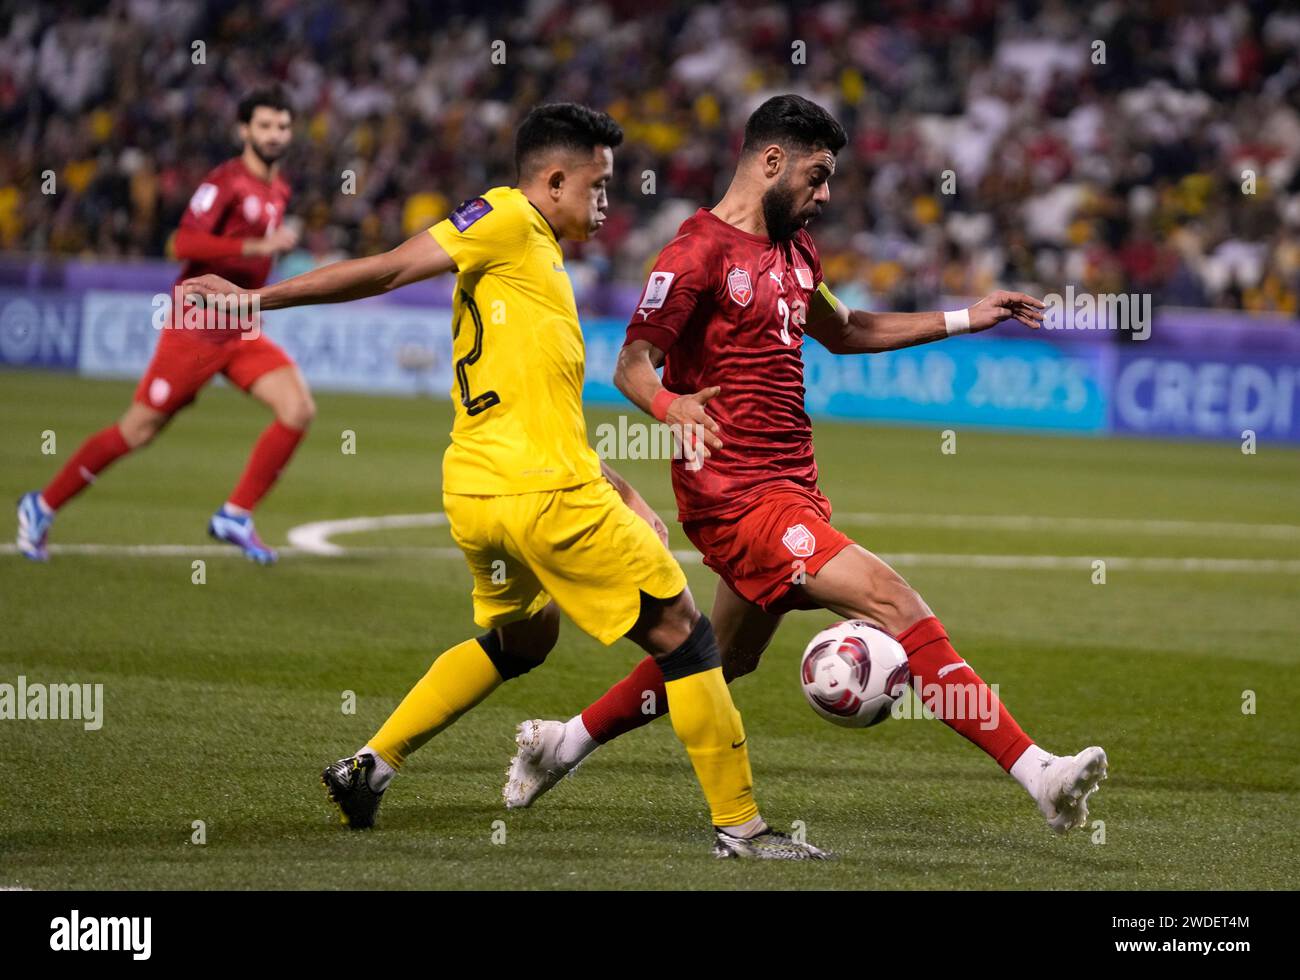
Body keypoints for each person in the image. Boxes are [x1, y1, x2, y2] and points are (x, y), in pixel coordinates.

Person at [181, 102, 827, 860]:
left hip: (479, 493)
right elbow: (388, 267)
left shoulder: (534, 257)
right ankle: (742, 830)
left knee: (524, 637)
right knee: (688, 639)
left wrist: (617, 487)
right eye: (598, 183)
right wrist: (259, 299)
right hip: (543, 495)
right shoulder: (509, 220)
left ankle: (369, 767)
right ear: (554, 180)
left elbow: (537, 409)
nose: (607, 199)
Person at [504, 95, 1108, 836]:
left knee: (719, 658)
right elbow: (631, 363)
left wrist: (965, 318)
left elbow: (846, 329)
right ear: (770, 162)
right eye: (817, 177)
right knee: (894, 603)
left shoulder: (795, 253)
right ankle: (1038, 773)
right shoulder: (695, 253)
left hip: (793, 491)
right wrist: (671, 409)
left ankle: (561, 744)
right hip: (737, 500)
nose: (824, 196)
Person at [16, 85, 308, 565]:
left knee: (297, 408)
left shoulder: (279, 189)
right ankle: (42, 504)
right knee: (138, 429)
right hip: (195, 328)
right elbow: (185, 243)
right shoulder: (225, 183)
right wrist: (257, 248)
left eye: (282, 125)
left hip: (240, 327)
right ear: (243, 130)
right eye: (265, 125)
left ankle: (235, 513)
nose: (276, 134)